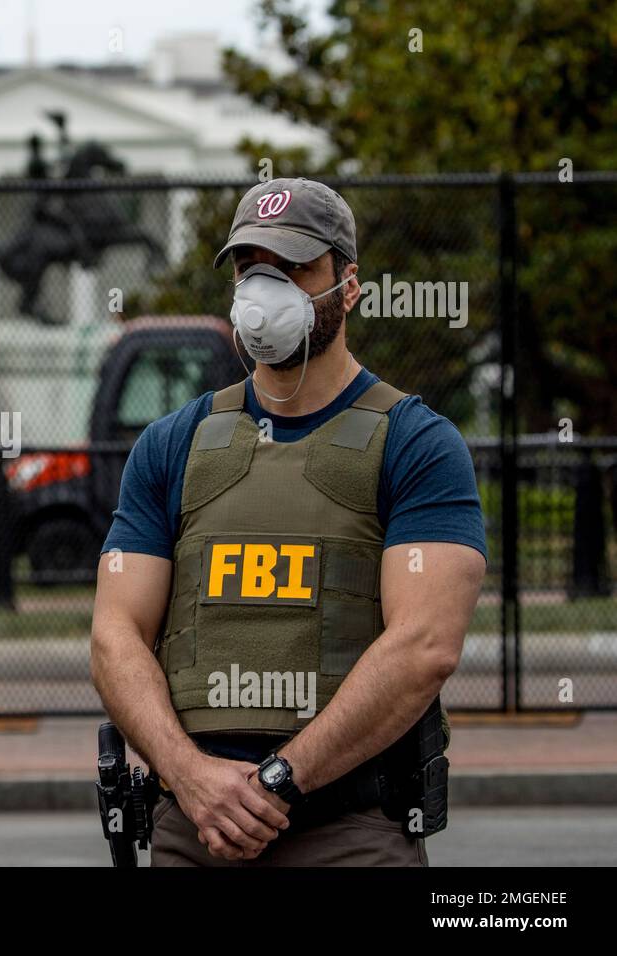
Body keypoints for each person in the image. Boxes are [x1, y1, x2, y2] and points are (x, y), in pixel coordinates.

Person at [90, 178, 487, 866]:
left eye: (295, 267)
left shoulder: (415, 443)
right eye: (250, 268)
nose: (265, 288)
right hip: (194, 824)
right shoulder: (172, 444)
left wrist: (279, 781)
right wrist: (190, 776)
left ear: (349, 284)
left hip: (347, 829)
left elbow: (424, 646)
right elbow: (115, 635)